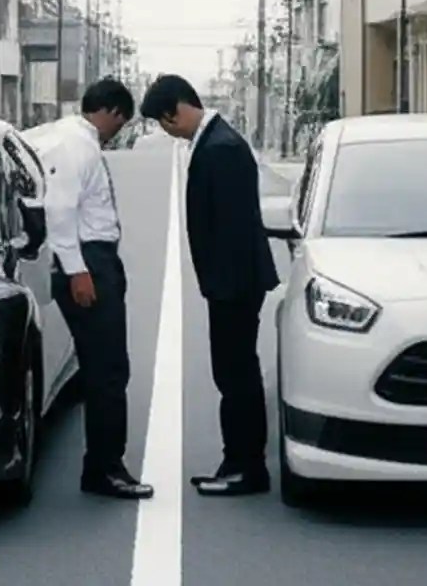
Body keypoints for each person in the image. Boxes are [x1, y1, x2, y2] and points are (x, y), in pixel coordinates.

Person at [140, 74, 279, 496]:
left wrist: (222, 288)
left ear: (176, 111)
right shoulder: (215, 142)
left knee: (235, 374)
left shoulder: (222, 148)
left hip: (234, 284)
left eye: (164, 123)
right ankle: (235, 460)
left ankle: (247, 467)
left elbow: (235, 228)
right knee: (233, 372)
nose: (167, 132)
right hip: (230, 282)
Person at [36, 77, 154, 499]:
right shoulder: (77, 146)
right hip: (89, 261)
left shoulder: (64, 137)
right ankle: (105, 469)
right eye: (120, 124)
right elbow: (60, 208)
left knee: (102, 368)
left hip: (90, 258)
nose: (116, 133)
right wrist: (77, 270)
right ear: (113, 113)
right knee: (107, 369)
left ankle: (103, 465)